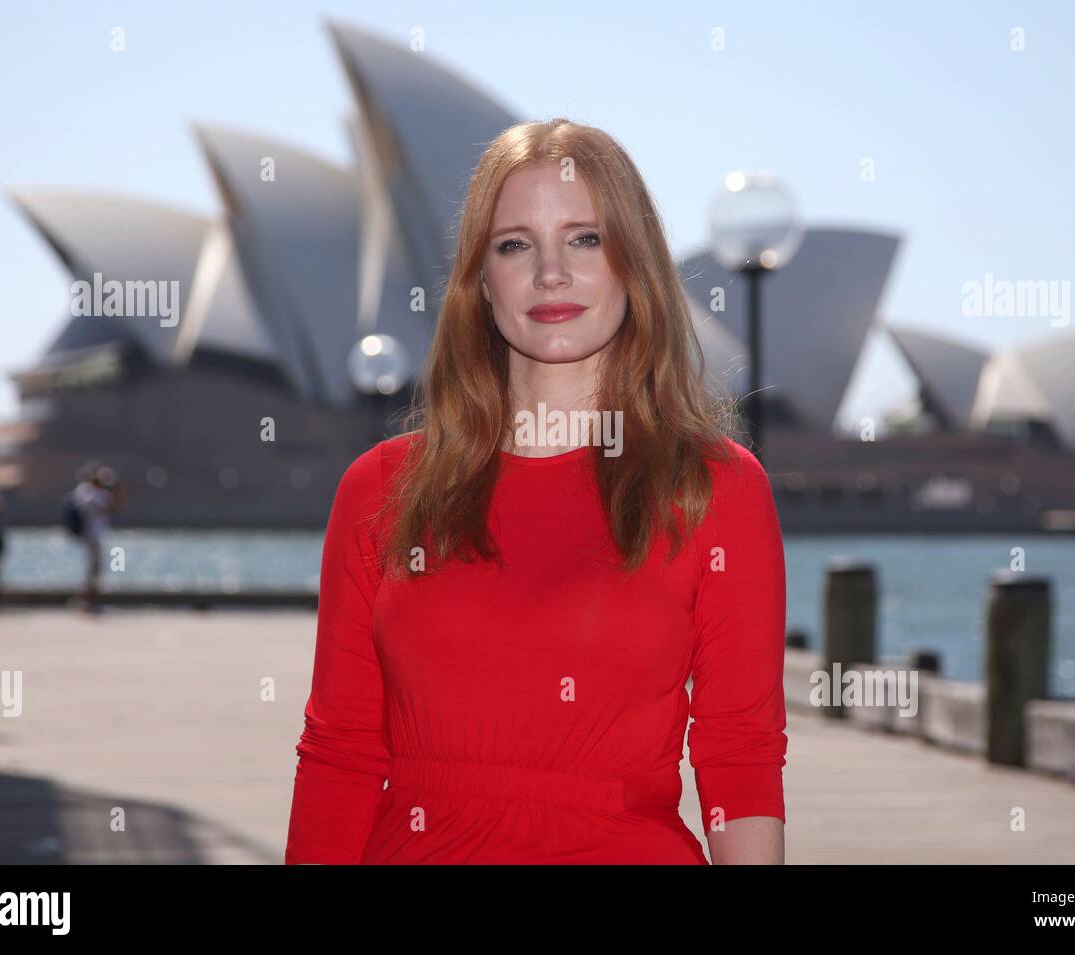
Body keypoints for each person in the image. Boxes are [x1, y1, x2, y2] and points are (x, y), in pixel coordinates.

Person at [284, 119, 787, 865]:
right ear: (482, 281)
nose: (551, 272)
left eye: (585, 238)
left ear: (634, 264)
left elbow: (739, 759)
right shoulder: (380, 490)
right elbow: (341, 753)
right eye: (515, 244)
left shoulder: (718, 489)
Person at [69, 464, 128, 613]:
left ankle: (87, 599)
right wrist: (118, 496)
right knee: (94, 568)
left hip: (95, 535)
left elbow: (113, 509)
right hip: (90, 535)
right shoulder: (86, 492)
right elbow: (103, 508)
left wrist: (120, 496)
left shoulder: (99, 493)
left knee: (95, 569)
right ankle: (85, 600)